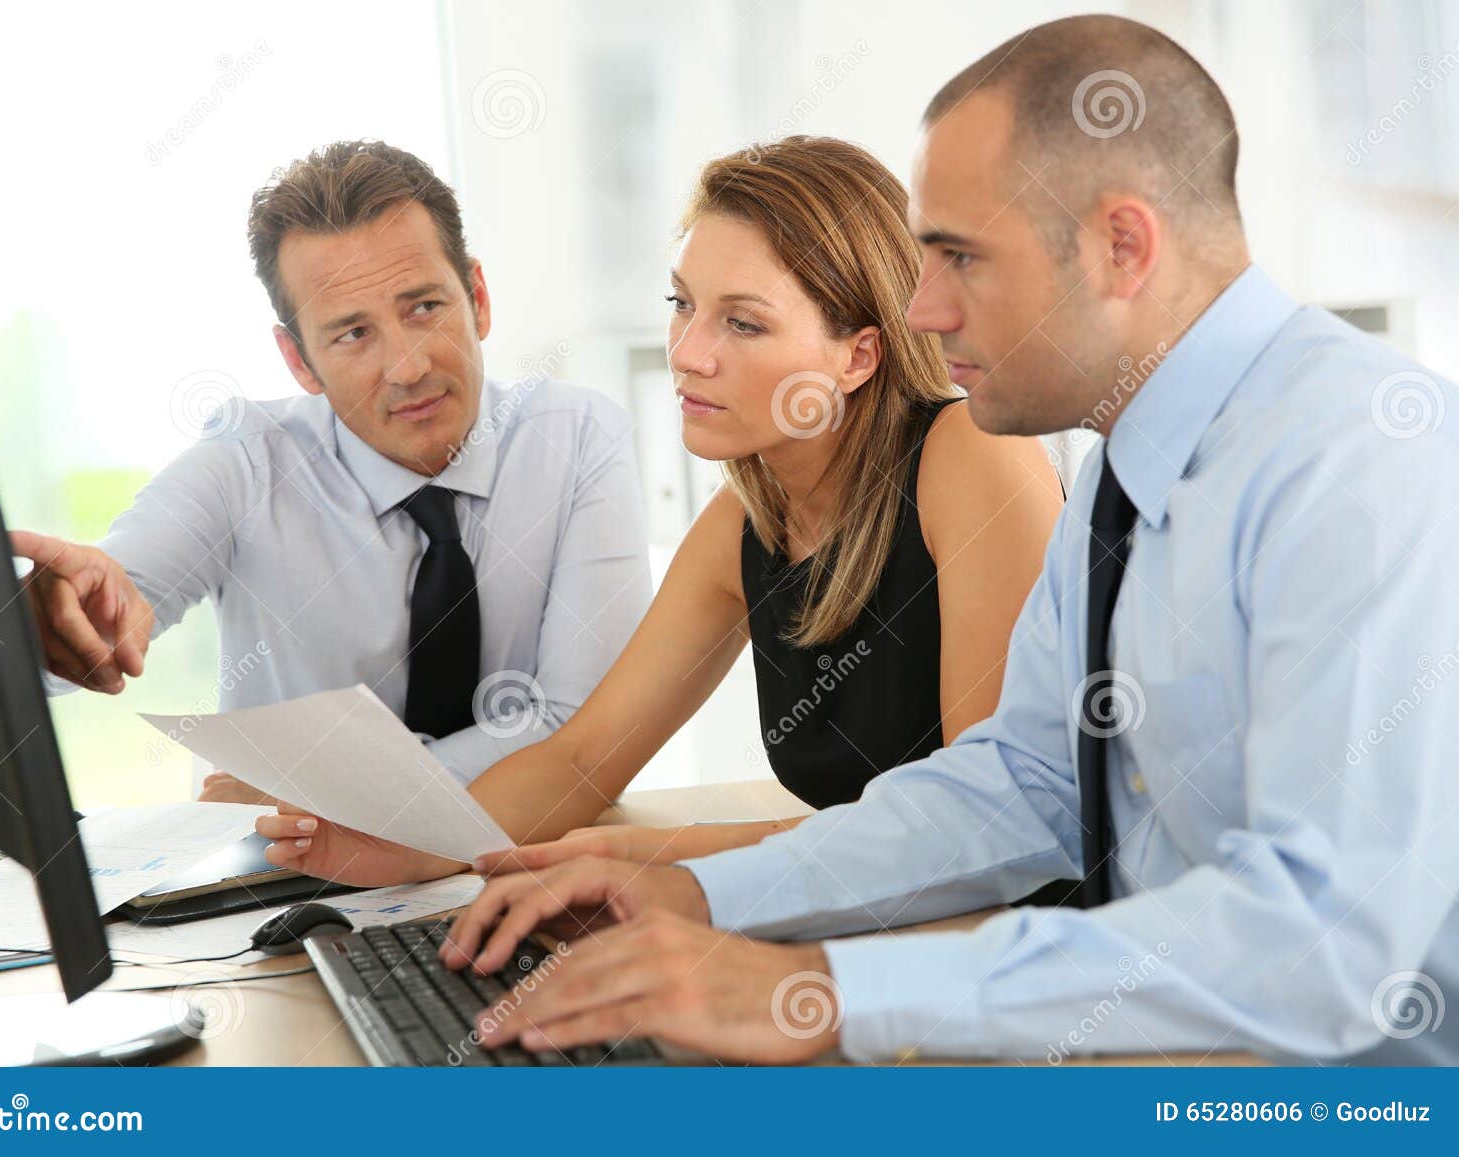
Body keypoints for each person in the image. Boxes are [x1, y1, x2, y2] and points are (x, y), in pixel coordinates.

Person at [437, 15, 1459, 1066]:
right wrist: (694, 891)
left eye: (960, 257)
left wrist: (822, 989)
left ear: (1122, 248)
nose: (921, 310)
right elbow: (1021, 785)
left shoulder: (1358, 460)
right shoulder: (1122, 472)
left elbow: (1324, 939)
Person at [255, 136, 1062, 884]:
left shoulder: (973, 455)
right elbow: (580, 760)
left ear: (857, 355)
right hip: (884, 935)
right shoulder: (747, 521)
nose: (687, 353)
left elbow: (982, 820)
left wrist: (653, 855)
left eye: (742, 322)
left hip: (1033, 947)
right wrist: (404, 846)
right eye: (682, 303)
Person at [9, 140, 652, 791]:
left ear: (478, 299)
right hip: (289, 857)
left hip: (531, 843)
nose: (408, 368)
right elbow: (104, 607)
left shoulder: (577, 440)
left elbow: (584, 726)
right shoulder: (245, 463)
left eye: (424, 308)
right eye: (353, 334)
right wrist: (55, 626)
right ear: (298, 361)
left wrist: (327, 793)